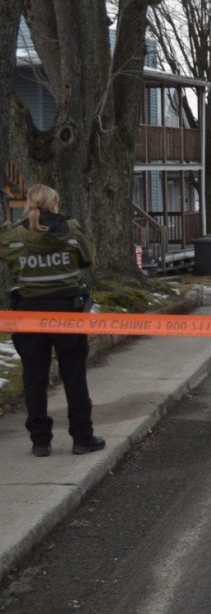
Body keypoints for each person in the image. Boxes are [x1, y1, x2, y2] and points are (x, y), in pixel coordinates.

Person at [0, 184, 102, 457]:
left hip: (29, 313)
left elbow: (8, 258)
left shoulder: (15, 236)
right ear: (55, 204)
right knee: (74, 377)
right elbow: (87, 258)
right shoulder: (71, 230)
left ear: (29, 205)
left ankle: (40, 441)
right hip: (68, 312)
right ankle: (82, 438)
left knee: (34, 378)